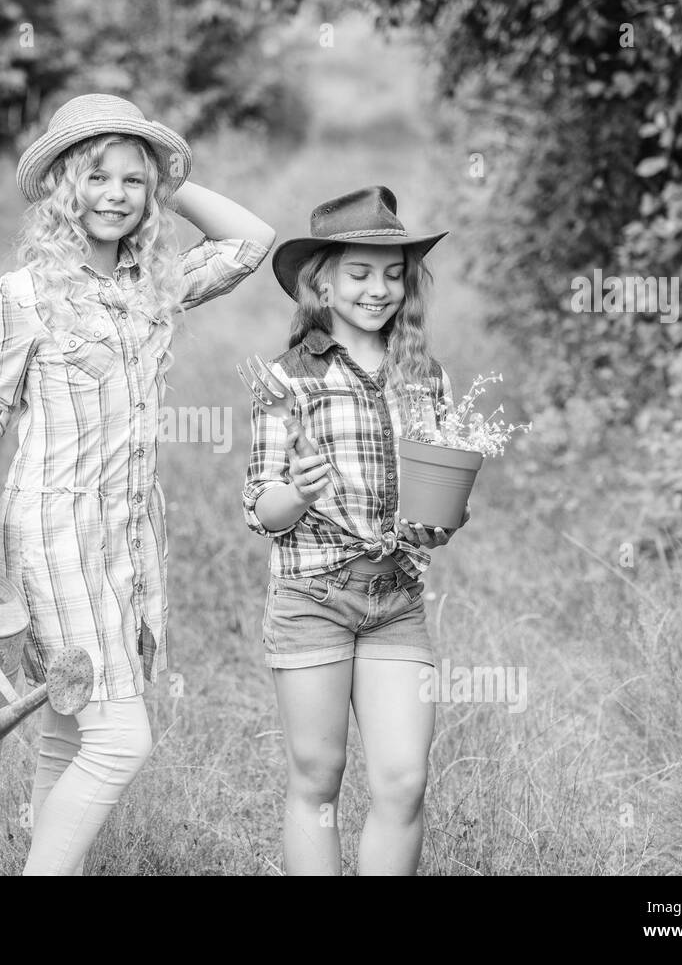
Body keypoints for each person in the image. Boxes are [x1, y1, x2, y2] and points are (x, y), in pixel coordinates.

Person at [0, 93, 275, 875]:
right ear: (65, 183)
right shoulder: (23, 294)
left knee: (70, 726)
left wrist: (172, 176)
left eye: (134, 181)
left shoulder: (154, 286)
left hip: (127, 532)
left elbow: (253, 240)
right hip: (52, 526)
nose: (116, 195)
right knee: (122, 737)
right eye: (98, 175)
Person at [242, 184, 468, 875]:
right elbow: (260, 508)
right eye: (360, 273)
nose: (378, 290)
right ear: (323, 281)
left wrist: (439, 525)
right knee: (318, 781)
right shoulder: (289, 380)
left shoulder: (425, 377)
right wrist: (295, 491)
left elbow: (442, 503)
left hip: (396, 599)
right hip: (313, 596)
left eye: (393, 275)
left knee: (403, 782)